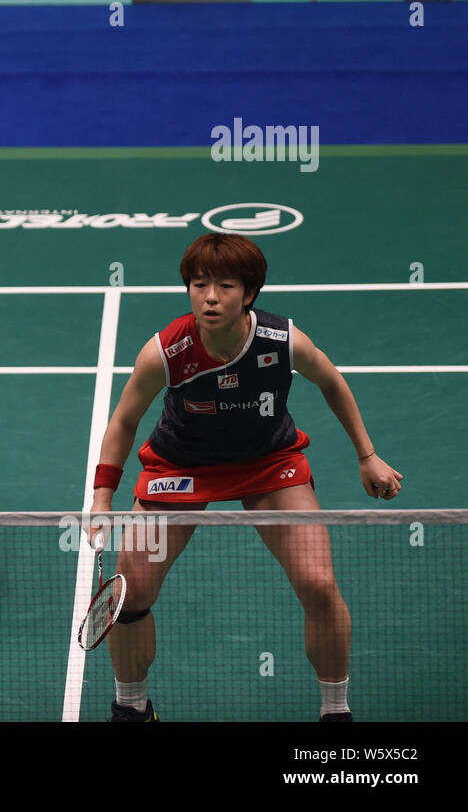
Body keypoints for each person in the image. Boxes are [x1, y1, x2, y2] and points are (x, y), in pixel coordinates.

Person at [89, 232, 403, 721]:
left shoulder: (282, 341)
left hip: (269, 465)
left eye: (225, 286)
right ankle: (132, 709)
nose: (210, 296)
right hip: (180, 469)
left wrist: (368, 455)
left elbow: (330, 380)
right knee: (132, 592)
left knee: (319, 586)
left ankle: (336, 712)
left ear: (250, 293)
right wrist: (103, 497)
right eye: (199, 284)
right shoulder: (167, 352)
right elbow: (125, 420)